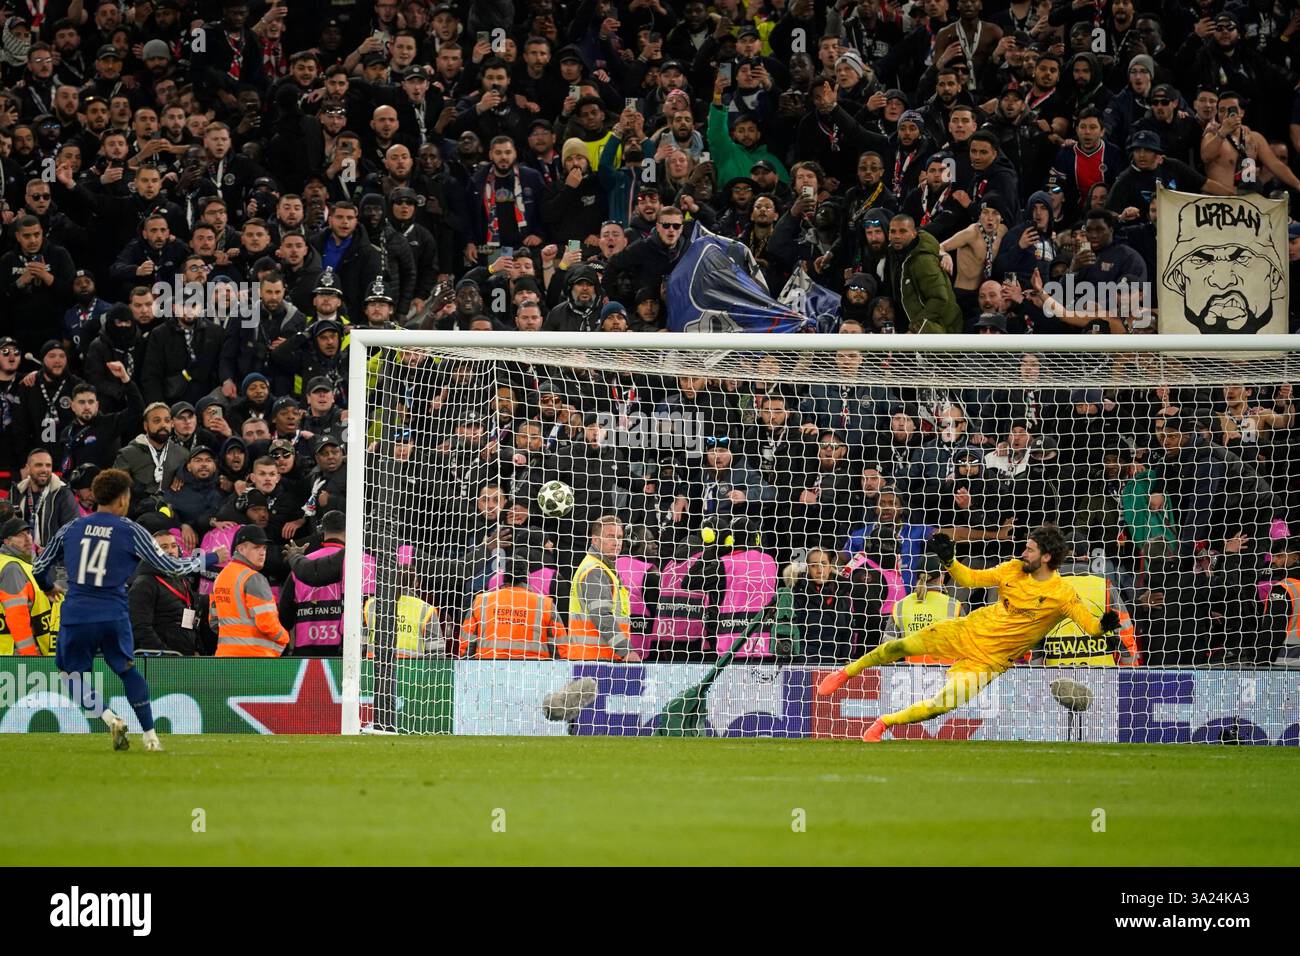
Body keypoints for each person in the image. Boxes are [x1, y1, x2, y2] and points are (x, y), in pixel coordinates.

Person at [816, 524, 1120, 741]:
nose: (1023, 552)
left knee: (943, 704)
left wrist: (1104, 625)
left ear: (1046, 557)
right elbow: (971, 580)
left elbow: (1091, 627)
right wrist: (950, 561)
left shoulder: (1063, 594)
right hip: (966, 630)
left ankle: (883, 724)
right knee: (899, 647)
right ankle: (847, 672)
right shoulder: (1013, 568)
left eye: (1030, 549)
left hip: (989, 662)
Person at [31, 469, 226, 751]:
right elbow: (171, 567)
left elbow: (39, 567)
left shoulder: (70, 528)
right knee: (128, 671)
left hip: (77, 614)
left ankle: (110, 718)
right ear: (123, 499)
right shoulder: (131, 530)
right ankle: (150, 737)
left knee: (70, 675)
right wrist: (208, 557)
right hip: (114, 613)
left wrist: (48, 586)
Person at [127, 513, 209, 656]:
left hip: (186, 654)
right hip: (163, 661)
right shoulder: (144, 583)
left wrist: (197, 648)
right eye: (163, 547)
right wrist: (165, 655)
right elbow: (140, 627)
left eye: (173, 546)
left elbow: (190, 617)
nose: (170, 551)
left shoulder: (183, 580)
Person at [563, 514, 640, 661]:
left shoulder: (600, 567)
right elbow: (601, 615)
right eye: (611, 536)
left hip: (596, 657)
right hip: (595, 660)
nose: (617, 542)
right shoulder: (594, 570)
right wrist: (625, 650)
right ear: (595, 540)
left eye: (619, 537)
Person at [209, 523, 291, 658]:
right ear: (240, 549)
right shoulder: (254, 578)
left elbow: (214, 622)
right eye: (256, 547)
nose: (262, 552)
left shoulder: (220, 578)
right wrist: (285, 638)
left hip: (224, 657)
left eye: (264, 547)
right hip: (256, 659)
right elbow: (267, 623)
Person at [458, 560, 566, 659]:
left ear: (504, 577)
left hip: (488, 670)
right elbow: (560, 648)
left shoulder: (481, 601)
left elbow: (466, 645)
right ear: (527, 578)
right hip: (534, 672)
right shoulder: (545, 604)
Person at [279, 509, 349, 657]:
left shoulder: (300, 565)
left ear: (321, 532)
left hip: (306, 650)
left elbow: (285, 615)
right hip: (344, 649)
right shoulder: (354, 564)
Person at [0, 517, 55, 655]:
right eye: (20, 535)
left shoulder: (21, 564)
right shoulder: (12, 568)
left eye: (28, 533)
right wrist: (30, 657)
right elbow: (17, 616)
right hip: (16, 654)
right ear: (7, 541)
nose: (27, 538)